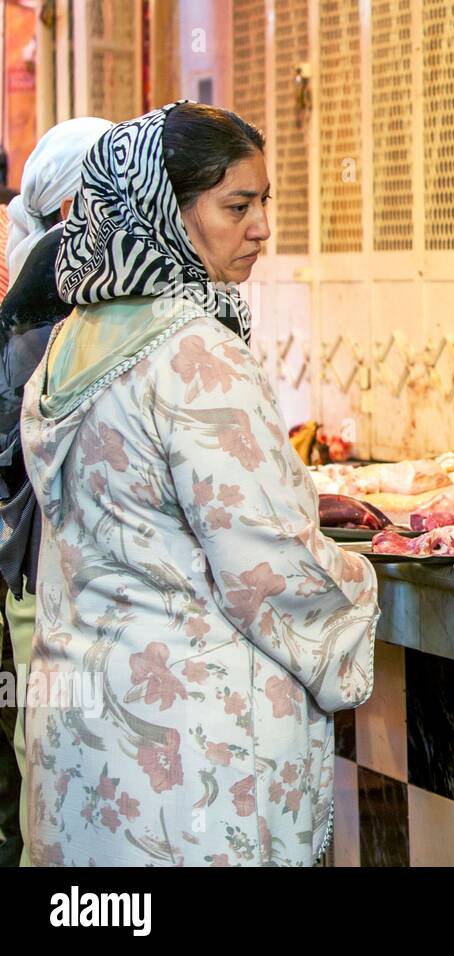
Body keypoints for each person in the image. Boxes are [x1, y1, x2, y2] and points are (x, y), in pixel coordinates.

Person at [20, 101, 379, 866]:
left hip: (88, 729)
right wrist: (358, 581)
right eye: (237, 206)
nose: (261, 228)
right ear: (163, 212)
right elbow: (268, 566)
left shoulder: (73, 338)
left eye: (264, 203)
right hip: (188, 749)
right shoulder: (194, 352)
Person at [0, 116, 113, 867]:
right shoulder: (51, 294)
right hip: (49, 573)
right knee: (55, 757)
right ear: (73, 207)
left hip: (46, 574)